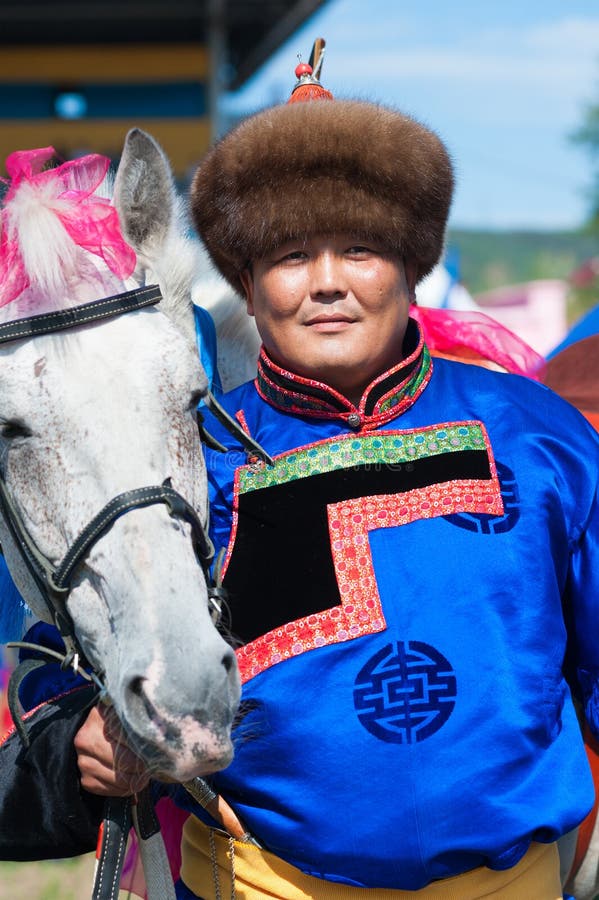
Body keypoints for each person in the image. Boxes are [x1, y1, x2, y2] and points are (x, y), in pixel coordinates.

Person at [8, 58, 599, 900]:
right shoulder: (191, 459)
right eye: (289, 255)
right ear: (246, 285)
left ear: (411, 265)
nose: (326, 282)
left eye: (358, 249)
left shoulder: (540, 438)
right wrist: (76, 737)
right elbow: (57, 654)